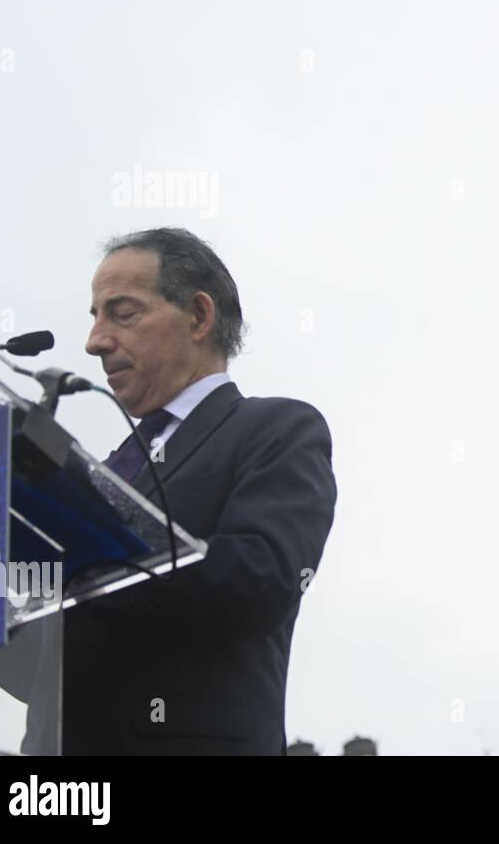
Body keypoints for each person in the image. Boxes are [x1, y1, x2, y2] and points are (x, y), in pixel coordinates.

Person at [57, 226, 337, 754]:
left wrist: (99, 554)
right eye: (94, 317)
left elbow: (262, 577)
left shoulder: (277, 428)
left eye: (122, 313)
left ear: (199, 317)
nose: (94, 341)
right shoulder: (105, 468)